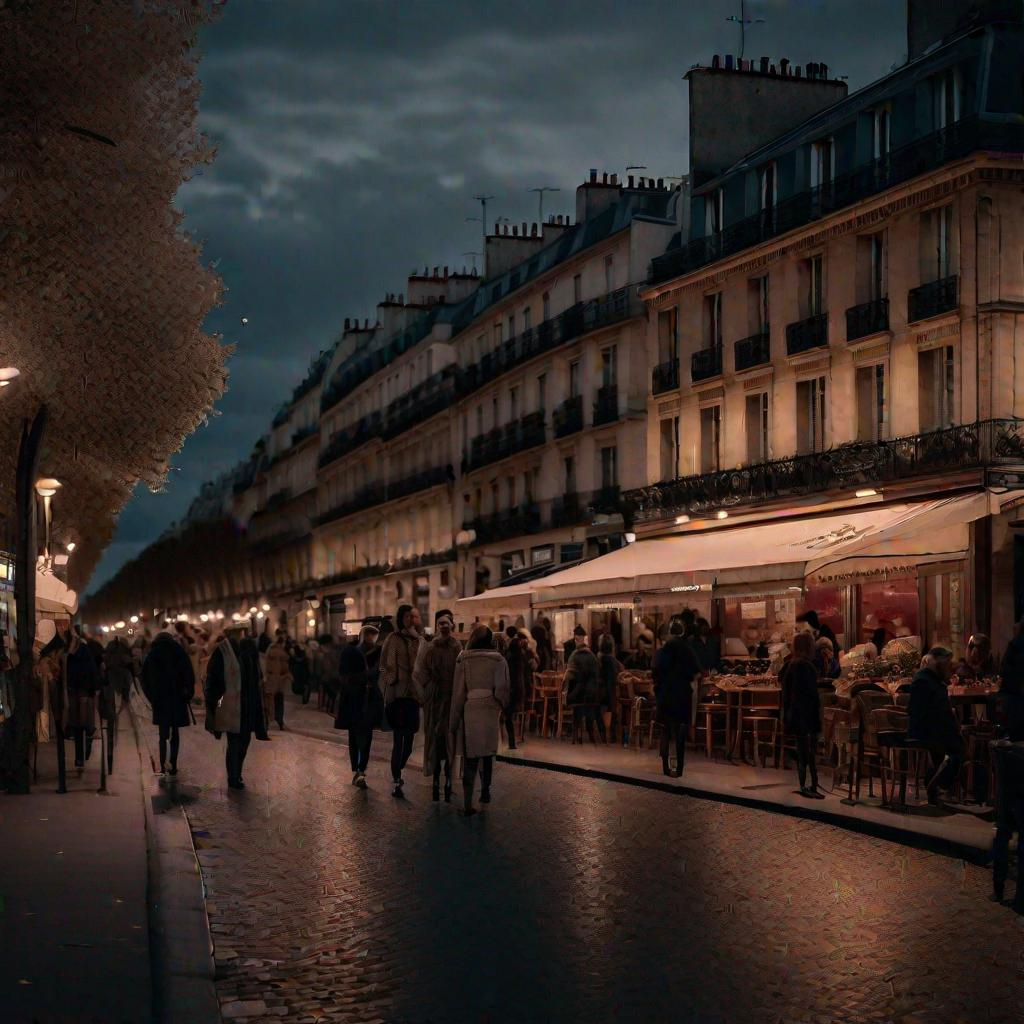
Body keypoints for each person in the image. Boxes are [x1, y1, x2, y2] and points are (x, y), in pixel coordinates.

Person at [450, 625, 510, 816]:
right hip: (490, 708)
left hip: (471, 709)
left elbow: (458, 693)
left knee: (471, 756)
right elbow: (502, 689)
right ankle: (485, 791)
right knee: (487, 752)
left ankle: (468, 803)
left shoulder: (463, 659)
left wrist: (454, 720)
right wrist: (500, 706)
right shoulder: (499, 660)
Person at [205, 622, 269, 790]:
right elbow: (213, 677)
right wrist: (213, 703)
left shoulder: (249, 651)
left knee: (245, 741)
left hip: (248, 704)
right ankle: (233, 777)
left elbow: (257, 675)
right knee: (234, 741)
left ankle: (237, 773)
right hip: (230, 705)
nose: (241, 635)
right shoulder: (223, 651)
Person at [907, 646, 963, 805]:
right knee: (955, 748)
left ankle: (938, 784)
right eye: (947, 663)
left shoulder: (932, 680)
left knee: (957, 744)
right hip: (926, 731)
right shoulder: (924, 680)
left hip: (934, 729)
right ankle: (937, 784)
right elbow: (918, 711)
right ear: (939, 663)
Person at [379, 604, 424, 798]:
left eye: (411, 616)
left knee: (410, 739)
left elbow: (423, 665)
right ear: (400, 618)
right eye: (406, 616)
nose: (409, 619)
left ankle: (400, 767)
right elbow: (383, 666)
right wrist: (391, 680)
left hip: (413, 696)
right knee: (398, 740)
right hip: (397, 696)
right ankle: (396, 780)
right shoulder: (393, 639)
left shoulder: (419, 640)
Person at [141, 629, 196, 776]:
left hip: (160, 699)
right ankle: (173, 763)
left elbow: (144, 679)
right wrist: (188, 694)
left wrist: (151, 697)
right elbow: (189, 674)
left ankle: (163, 764)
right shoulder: (179, 651)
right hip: (177, 699)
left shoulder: (153, 655)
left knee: (163, 733)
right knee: (175, 733)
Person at [334, 625, 383, 787]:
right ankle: (358, 770)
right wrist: (370, 674)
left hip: (368, 701)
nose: (372, 640)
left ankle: (361, 770)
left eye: (374, 636)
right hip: (354, 700)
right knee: (356, 736)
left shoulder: (377, 653)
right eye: (370, 636)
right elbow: (345, 676)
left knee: (366, 737)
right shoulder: (351, 652)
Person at [420, 614, 462, 800]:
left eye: (446, 623)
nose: (444, 626)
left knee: (444, 740)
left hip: (447, 699)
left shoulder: (453, 646)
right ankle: (441, 781)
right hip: (440, 700)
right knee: (441, 740)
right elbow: (424, 671)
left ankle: (444, 781)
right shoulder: (434, 647)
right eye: (441, 623)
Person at [653, 619, 699, 778]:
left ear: (671, 633)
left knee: (665, 731)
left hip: (665, 695)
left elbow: (655, 672)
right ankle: (679, 769)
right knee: (680, 732)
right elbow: (695, 672)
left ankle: (665, 767)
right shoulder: (687, 650)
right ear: (682, 632)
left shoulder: (662, 651)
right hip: (682, 695)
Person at [780, 632, 823, 798]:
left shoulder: (789, 665)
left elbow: (787, 693)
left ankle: (804, 784)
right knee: (809, 753)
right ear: (809, 647)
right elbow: (811, 695)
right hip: (806, 716)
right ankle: (811, 785)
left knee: (801, 751)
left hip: (794, 715)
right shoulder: (807, 667)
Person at [64, 629, 100, 768]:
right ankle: (83, 752)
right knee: (82, 725)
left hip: (78, 691)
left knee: (79, 726)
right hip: (81, 691)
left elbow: (91, 671)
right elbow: (93, 671)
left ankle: (80, 756)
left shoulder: (71, 655)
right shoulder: (82, 652)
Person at [564, 633, 605, 743]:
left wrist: (569, 694)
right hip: (594, 695)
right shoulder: (593, 656)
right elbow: (597, 674)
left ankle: (574, 734)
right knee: (592, 710)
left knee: (576, 707)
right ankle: (594, 735)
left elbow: (570, 676)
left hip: (580, 695)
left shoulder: (574, 656)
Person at [503, 625, 531, 749]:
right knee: (518, 714)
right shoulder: (522, 657)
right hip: (520, 688)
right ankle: (517, 738)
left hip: (510, 688)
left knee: (508, 716)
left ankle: (511, 741)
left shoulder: (508, 657)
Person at [597, 633, 623, 743]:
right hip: (609, 694)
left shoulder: (598, 659)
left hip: (599, 693)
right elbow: (619, 672)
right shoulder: (612, 661)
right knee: (614, 708)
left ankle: (603, 734)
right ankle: (612, 736)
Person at [263, 629, 292, 730]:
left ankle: (268, 720)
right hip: (280, 680)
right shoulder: (283, 653)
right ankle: (279, 721)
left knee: (269, 701)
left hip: (271, 679)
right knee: (279, 701)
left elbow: (266, 665)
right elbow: (285, 667)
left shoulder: (270, 650)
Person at [104, 632, 135, 712]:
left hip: (112, 675)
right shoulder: (124, 650)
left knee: (113, 699)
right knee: (124, 697)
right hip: (122, 675)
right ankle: (122, 712)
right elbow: (128, 662)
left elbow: (106, 661)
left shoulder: (110, 650)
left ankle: (115, 715)